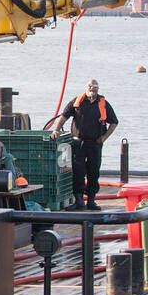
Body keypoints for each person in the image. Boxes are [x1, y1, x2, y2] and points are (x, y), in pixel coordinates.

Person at [51, 79, 118, 210]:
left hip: (95, 143)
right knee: (78, 171)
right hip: (78, 142)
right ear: (86, 88)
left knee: (94, 171)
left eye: (94, 87)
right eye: (90, 87)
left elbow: (114, 122)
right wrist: (56, 130)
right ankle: (79, 200)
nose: (92, 89)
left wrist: (104, 138)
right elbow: (64, 116)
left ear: (98, 89)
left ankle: (91, 200)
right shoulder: (77, 102)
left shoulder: (103, 104)